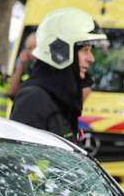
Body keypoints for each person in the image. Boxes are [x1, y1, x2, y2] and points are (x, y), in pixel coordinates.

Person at [9, 8, 106, 141]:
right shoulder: (33, 98)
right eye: (85, 50)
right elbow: (22, 152)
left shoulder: (60, 98)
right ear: (61, 52)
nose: (91, 58)